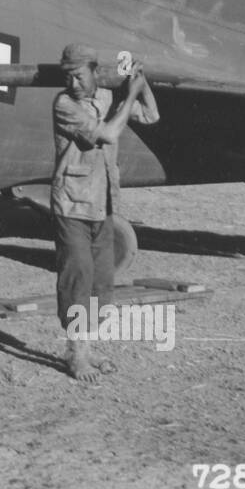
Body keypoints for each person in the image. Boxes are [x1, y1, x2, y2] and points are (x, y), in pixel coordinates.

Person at [51, 43, 159, 383]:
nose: (73, 84)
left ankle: (87, 347)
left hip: (102, 202)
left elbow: (151, 115)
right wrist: (131, 94)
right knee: (78, 275)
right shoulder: (64, 104)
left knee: (101, 280)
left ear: (95, 72)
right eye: (68, 77)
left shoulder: (106, 97)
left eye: (79, 76)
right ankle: (75, 353)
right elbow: (109, 134)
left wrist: (141, 82)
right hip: (72, 203)